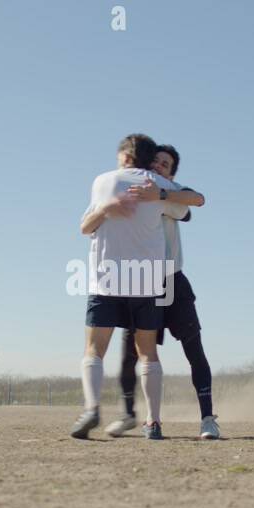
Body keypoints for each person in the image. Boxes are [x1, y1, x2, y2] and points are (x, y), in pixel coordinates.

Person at [71, 134, 187, 440]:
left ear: (124, 155)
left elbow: (84, 228)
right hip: (147, 281)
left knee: (95, 349)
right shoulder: (158, 188)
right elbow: (195, 202)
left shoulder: (103, 181)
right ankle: (153, 421)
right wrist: (162, 194)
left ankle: (91, 409)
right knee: (148, 353)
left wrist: (106, 208)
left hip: (105, 279)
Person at [103, 144, 219, 439]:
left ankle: (208, 418)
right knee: (132, 352)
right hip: (141, 281)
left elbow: (198, 200)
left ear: (171, 173)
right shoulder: (135, 188)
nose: (158, 166)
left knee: (194, 349)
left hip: (172, 279)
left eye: (165, 164)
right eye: (154, 161)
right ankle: (130, 415)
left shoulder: (169, 191)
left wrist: (163, 194)